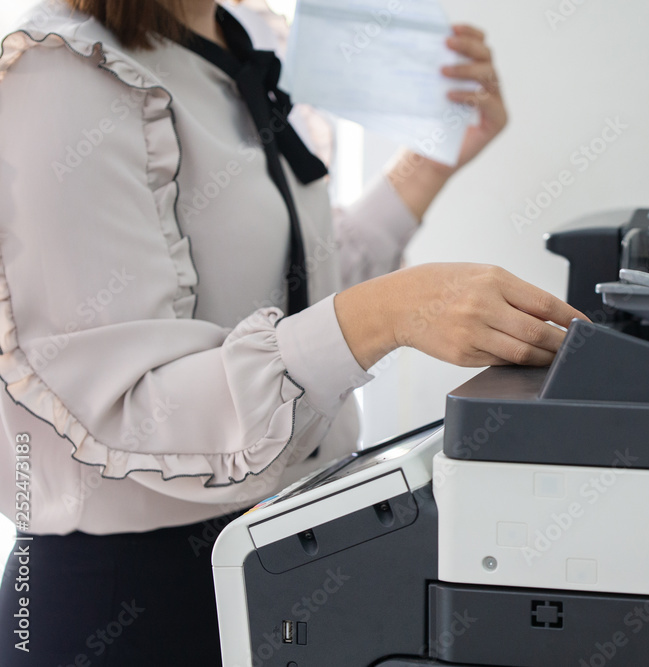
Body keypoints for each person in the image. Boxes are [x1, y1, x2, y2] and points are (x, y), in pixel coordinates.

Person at [0, 0, 586, 664]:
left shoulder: (240, 34)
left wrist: (433, 159)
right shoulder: (57, 75)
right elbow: (129, 410)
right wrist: (386, 312)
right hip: (133, 599)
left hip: (291, 550)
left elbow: (282, 291)